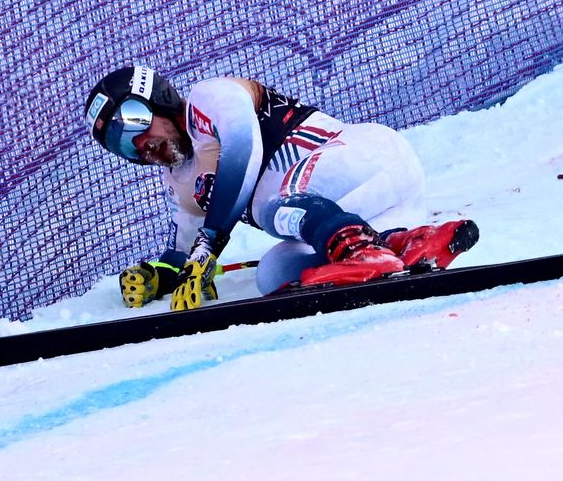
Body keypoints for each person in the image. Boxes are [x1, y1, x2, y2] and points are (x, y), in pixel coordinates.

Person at [84, 65, 479, 311]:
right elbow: (184, 251)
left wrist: (210, 243)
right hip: (369, 209)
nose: (137, 144)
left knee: (272, 207)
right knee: (277, 275)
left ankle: (361, 252)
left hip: (367, 158)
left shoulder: (209, 100)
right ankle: (406, 243)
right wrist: (158, 274)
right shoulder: (181, 182)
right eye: (118, 143)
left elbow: (243, 153)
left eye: (134, 122)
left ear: (158, 97)